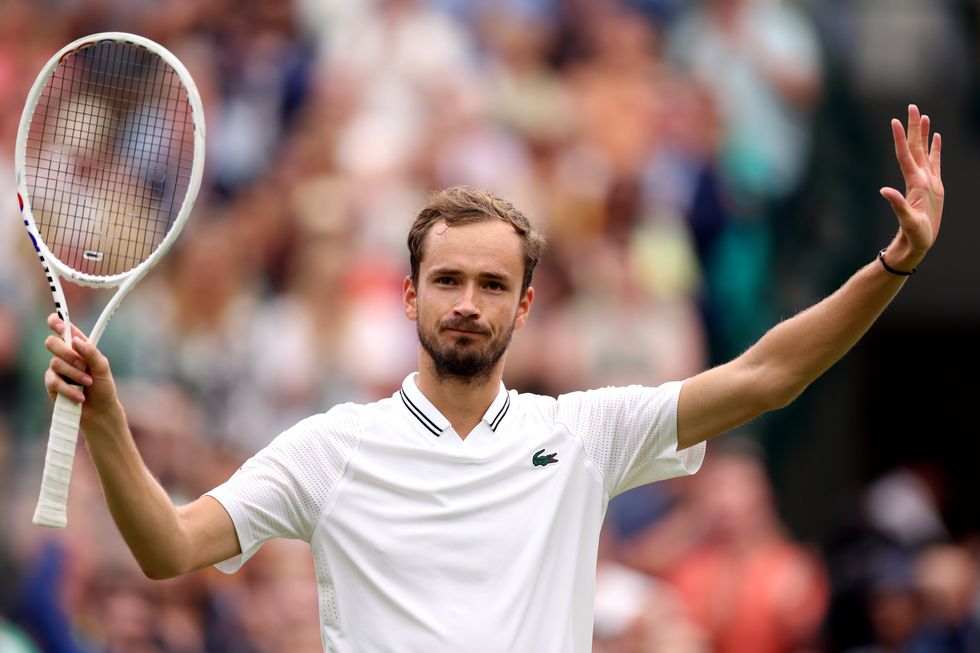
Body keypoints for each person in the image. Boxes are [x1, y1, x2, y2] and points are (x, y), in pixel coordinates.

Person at [42, 105, 943, 652]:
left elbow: (767, 374)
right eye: (447, 280)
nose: (468, 301)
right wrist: (109, 416)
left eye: (491, 284)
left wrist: (892, 267)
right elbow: (166, 547)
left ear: (525, 305)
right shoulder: (331, 448)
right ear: (408, 296)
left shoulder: (583, 433)